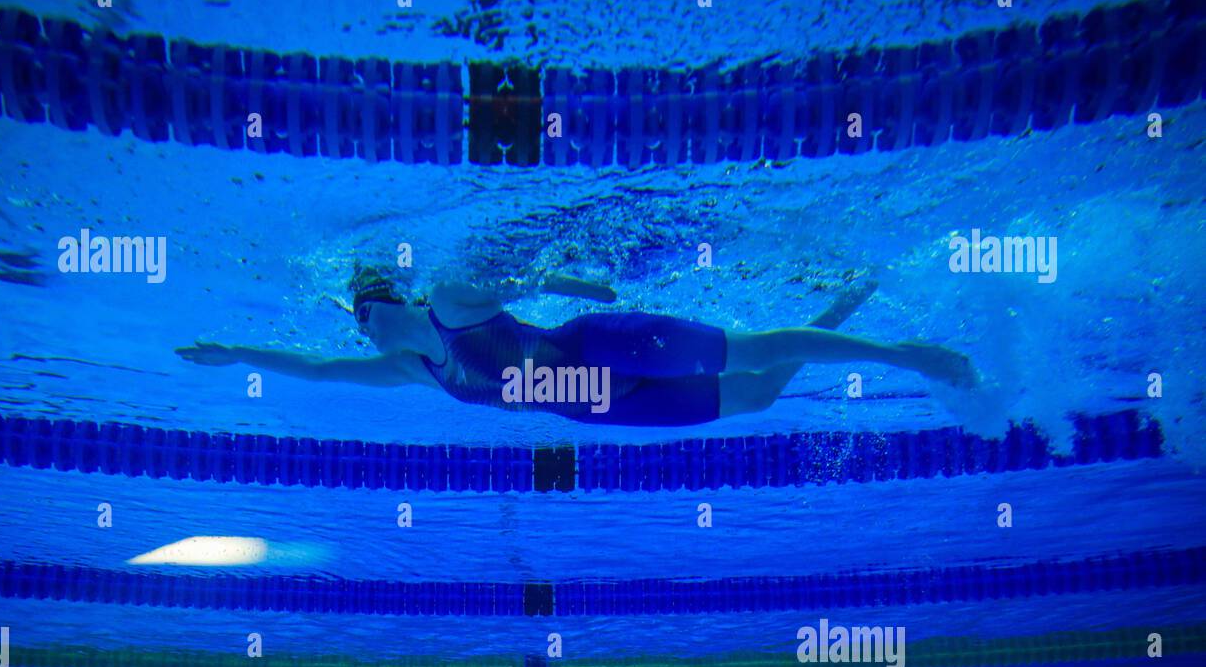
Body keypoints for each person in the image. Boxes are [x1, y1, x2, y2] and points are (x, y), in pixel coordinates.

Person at [176, 265, 976, 426]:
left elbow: (520, 283)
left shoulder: (449, 302)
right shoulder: (411, 368)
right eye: (353, 316)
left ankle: (912, 356)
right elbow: (314, 371)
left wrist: (585, 288)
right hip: (597, 411)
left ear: (391, 297)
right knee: (763, 392)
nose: (355, 325)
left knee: (757, 349)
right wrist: (242, 357)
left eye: (360, 309)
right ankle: (840, 303)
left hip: (605, 349)